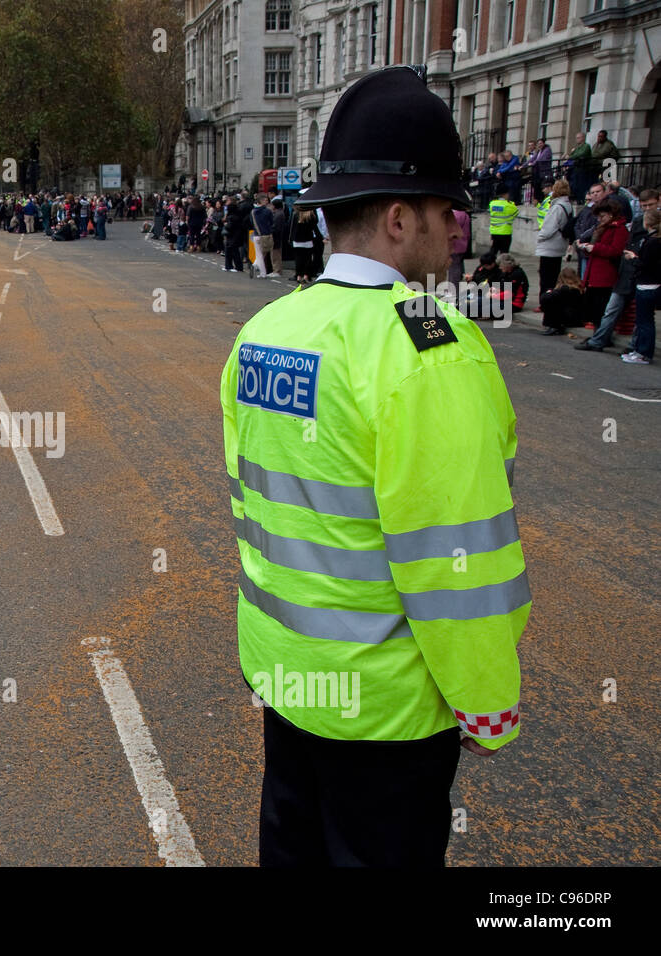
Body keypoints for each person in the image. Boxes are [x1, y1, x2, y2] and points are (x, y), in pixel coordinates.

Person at [222, 66, 528, 868]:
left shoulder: (267, 330)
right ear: (399, 219)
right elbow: (460, 560)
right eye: (444, 213)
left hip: (289, 681)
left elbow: (260, 503)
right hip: (387, 713)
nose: (456, 233)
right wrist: (490, 704)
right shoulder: (432, 343)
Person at [574, 196, 630, 350]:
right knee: (595, 309)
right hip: (595, 273)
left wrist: (595, 248)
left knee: (602, 309)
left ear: (611, 214)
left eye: (603, 216)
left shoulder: (619, 229)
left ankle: (602, 338)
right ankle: (598, 335)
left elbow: (616, 251)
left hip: (606, 275)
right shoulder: (601, 228)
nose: (599, 219)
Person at [622, 208, 660, 364]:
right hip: (652, 284)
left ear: (648, 222)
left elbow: (644, 264)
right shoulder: (654, 240)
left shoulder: (652, 242)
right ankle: (640, 351)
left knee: (644, 322)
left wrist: (632, 257)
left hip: (647, 285)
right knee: (645, 321)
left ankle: (643, 353)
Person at [534, 179, 575, 301]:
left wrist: (540, 237)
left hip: (550, 246)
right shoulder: (568, 205)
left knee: (546, 276)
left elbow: (549, 228)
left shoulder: (557, 207)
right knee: (553, 274)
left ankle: (545, 300)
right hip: (559, 244)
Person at [539, 266, 583, 336]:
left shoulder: (565, 289)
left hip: (570, 318)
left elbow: (546, 298)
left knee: (552, 302)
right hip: (578, 317)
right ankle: (555, 326)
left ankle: (554, 326)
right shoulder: (579, 287)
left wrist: (549, 292)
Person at [289, 207, 318, 283]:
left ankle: (298, 276)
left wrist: (290, 239)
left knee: (298, 259)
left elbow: (291, 227)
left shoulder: (296, 215)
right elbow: (315, 226)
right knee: (308, 259)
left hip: (297, 240)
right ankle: (306, 275)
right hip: (308, 239)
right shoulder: (311, 216)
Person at [487, 186, 517, 255]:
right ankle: (502, 265)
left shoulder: (492, 204)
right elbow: (516, 213)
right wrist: (511, 203)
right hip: (505, 232)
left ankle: (489, 263)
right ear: (505, 194)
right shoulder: (509, 205)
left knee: (493, 250)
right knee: (504, 253)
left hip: (494, 232)